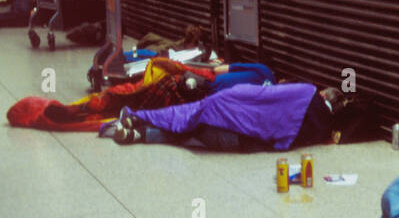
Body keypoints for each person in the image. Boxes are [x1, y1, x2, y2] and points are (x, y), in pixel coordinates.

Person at [109, 82, 349, 152]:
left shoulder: (306, 92)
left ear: (323, 93)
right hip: (241, 143)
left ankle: (138, 119)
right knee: (188, 133)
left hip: (229, 112)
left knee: (189, 115)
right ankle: (137, 134)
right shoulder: (322, 131)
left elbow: (265, 95)